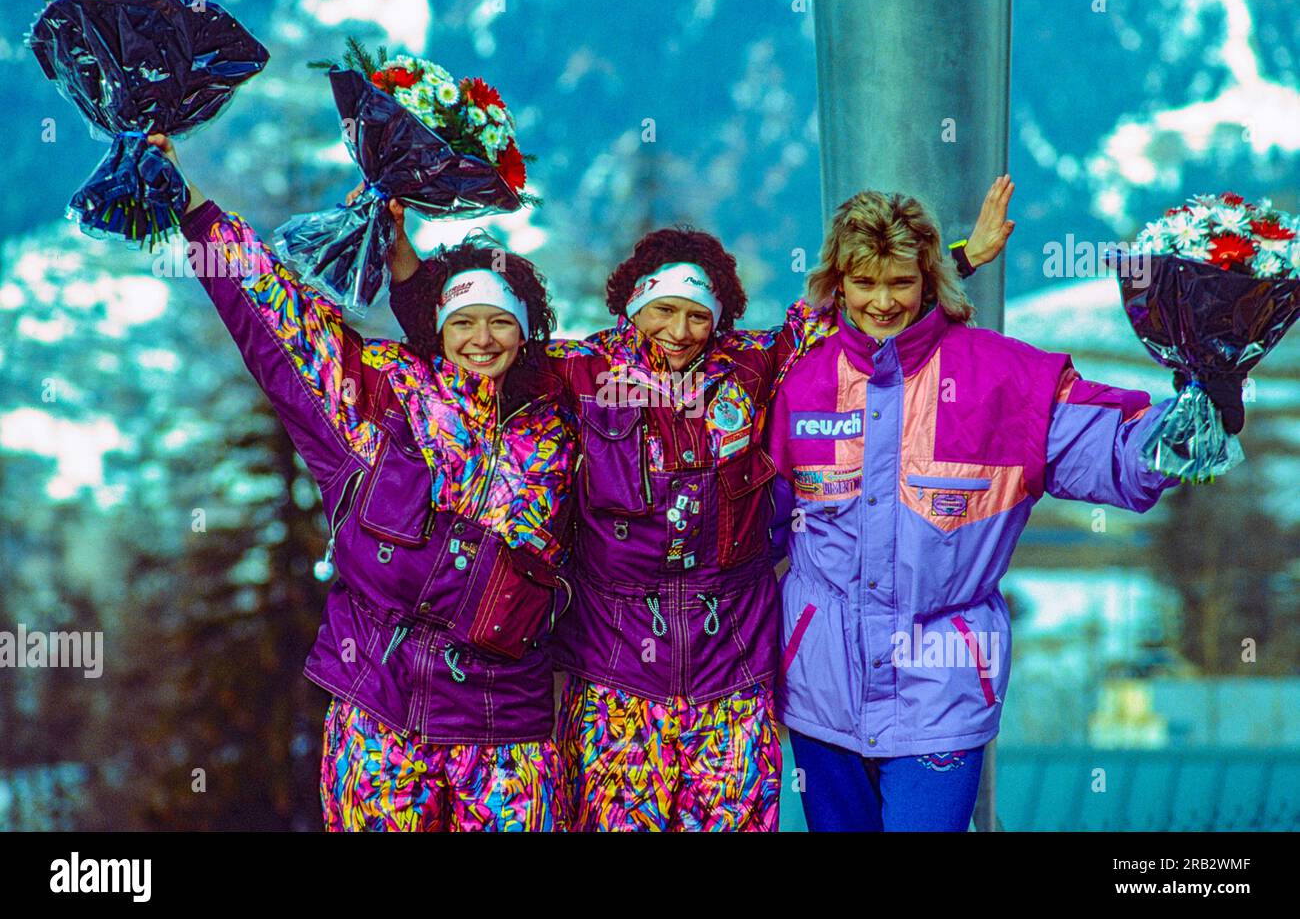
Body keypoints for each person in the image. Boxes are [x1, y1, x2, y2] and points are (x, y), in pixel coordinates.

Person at [386, 179, 1011, 830]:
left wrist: (966, 253)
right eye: (662, 311)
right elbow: (472, 345)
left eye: (697, 314)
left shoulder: (753, 363)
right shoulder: (581, 372)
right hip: (615, 675)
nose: (679, 331)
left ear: (721, 314)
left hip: (732, 672)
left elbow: (853, 303)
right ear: (633, 306)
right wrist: (405, 258)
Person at [145, 134, 579, 831]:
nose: (483, 338)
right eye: (463, 320)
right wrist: (193, 210)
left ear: (527, 333)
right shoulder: (381, 399)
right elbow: (271, 316)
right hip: (382, 716)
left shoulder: (561, 421)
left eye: (501, 321)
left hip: (508, 730)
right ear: (437, 330)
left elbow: (667, 362)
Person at [765, 187, 1199, 831]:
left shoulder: (1001, 376)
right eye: (864, 282)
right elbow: (752, 522)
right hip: (822, 689)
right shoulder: (799, 381)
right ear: (836, 281)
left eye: (902, 281)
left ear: (929, 278)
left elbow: (1108, 444)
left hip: (941, 689)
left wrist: (1195, 418)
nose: (883, 302)